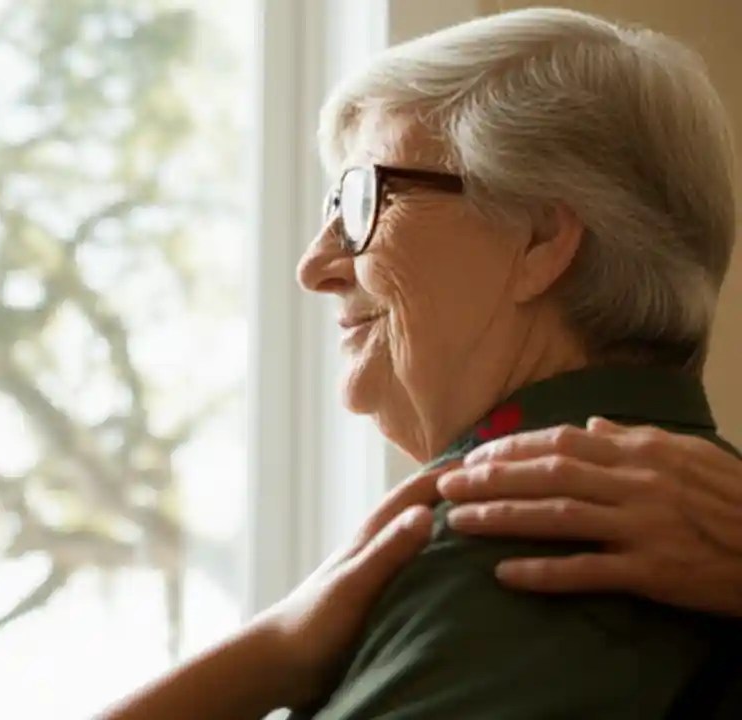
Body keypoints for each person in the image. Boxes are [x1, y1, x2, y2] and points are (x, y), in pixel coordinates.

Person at [104, 7, 742, 719]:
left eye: (360, 200)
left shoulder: (526, 535)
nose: (314, 265)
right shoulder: (667, 530)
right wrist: (278, 644)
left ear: (538, 237)